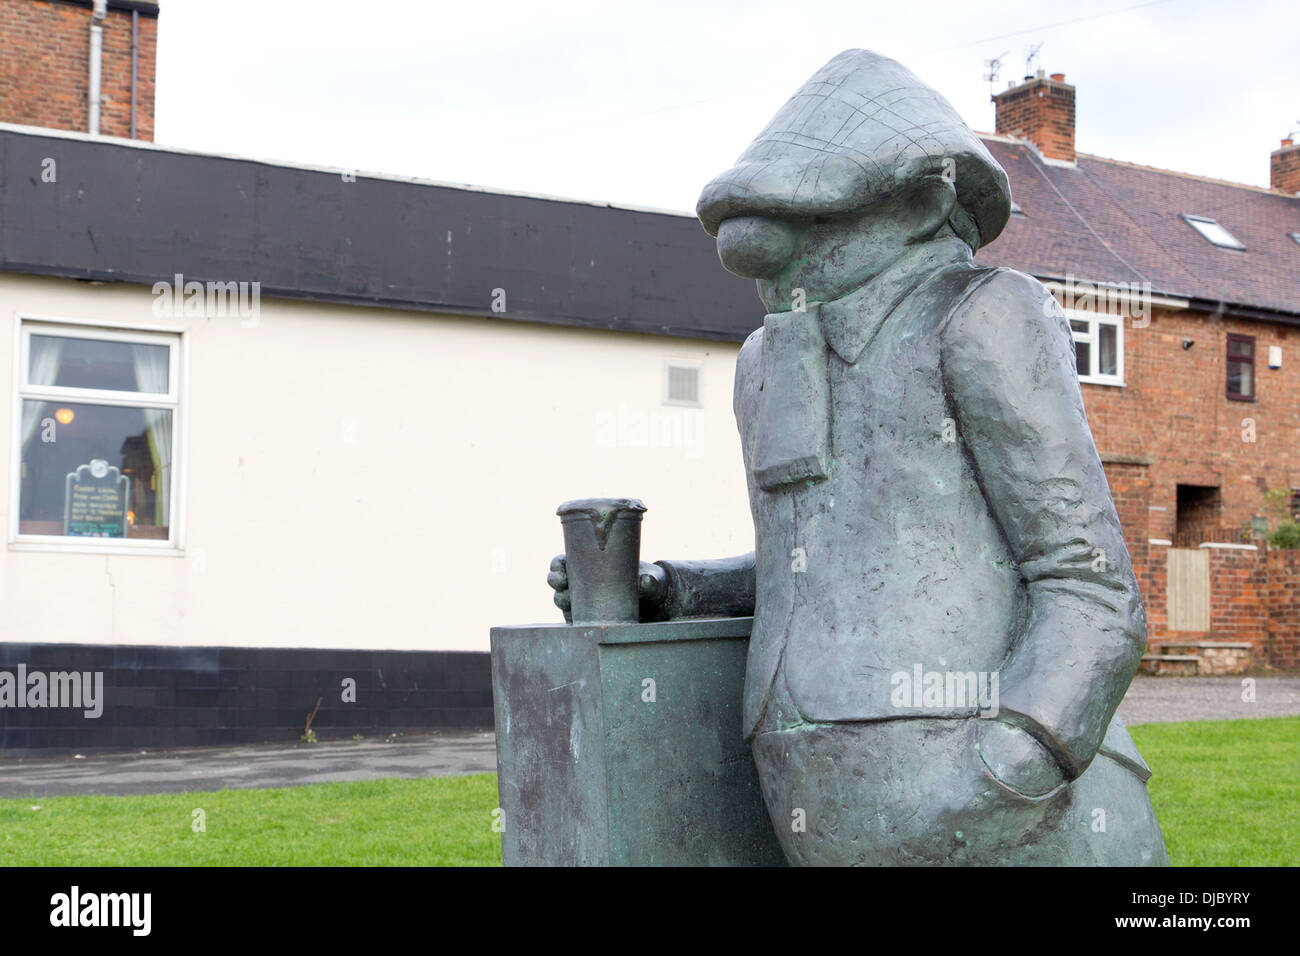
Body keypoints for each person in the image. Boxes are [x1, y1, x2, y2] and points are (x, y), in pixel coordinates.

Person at [550, 49, 1167, 865]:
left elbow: (1090, 588)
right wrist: (673, 589)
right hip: (823, 804)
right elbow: (809, 566)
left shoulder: (984, 317)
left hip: (1011, 820)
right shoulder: (765, 362)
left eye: (820, 222)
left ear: (924, 204)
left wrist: (1011, 765)